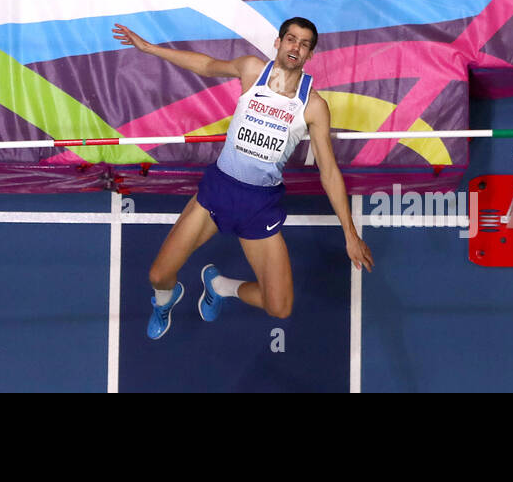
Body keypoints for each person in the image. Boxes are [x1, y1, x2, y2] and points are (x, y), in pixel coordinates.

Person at [112, 17, 374, 340]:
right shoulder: (252, 71)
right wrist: (150, 48)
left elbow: (329, 171)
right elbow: (207, 65)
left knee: (280, 306)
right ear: (278, 43)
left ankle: (221, 287)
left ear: (310, 56)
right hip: (219, 192)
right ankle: (165, 301)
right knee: (159, 274)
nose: (296, 47)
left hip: (259, 208)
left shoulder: (313, 107)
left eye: (304, 44)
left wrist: (349, 233)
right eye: (291, 39)